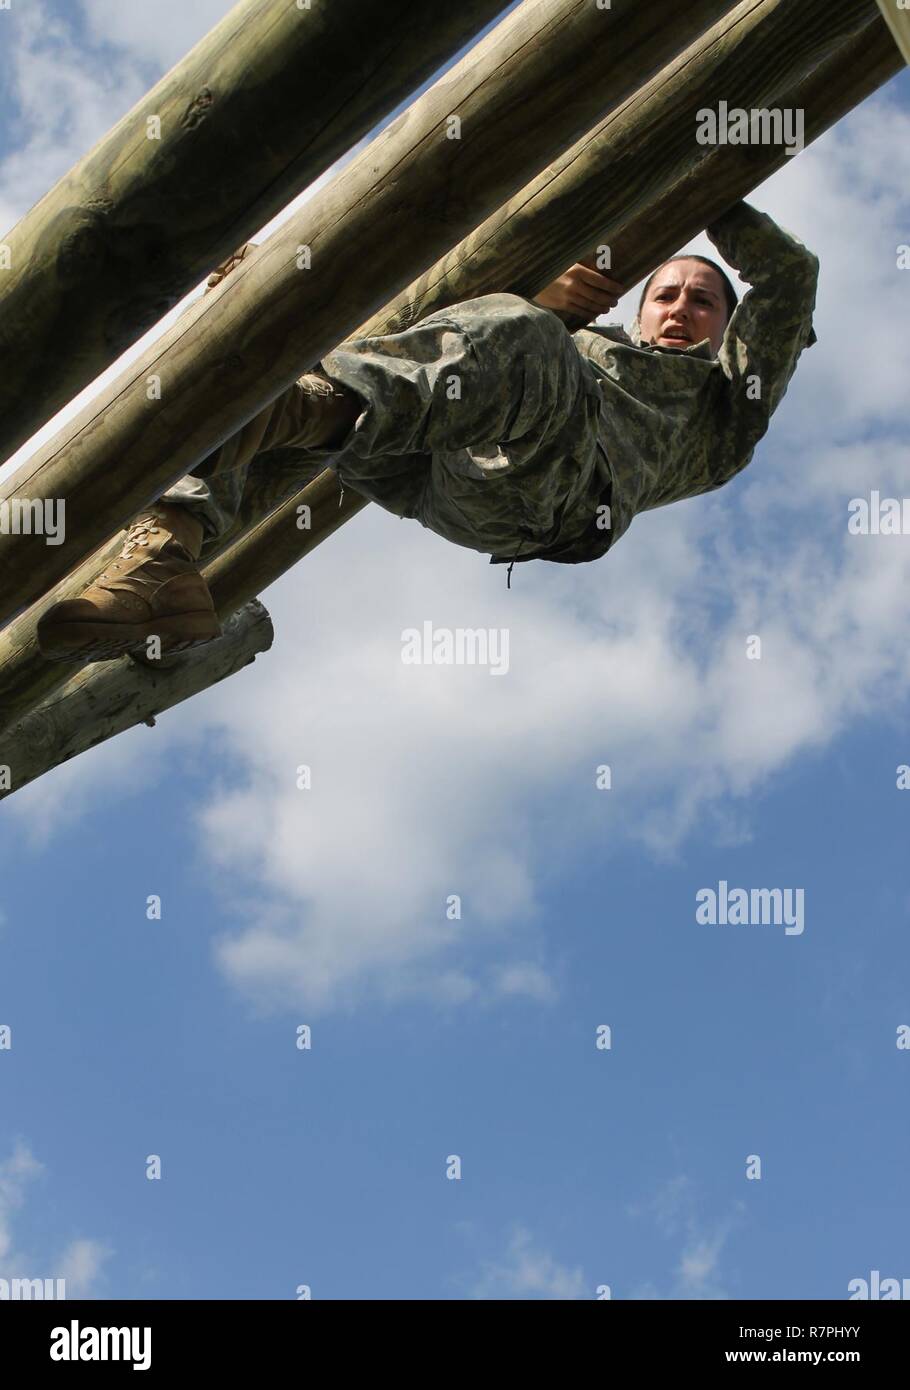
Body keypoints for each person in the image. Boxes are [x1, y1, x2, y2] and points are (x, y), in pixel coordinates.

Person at [36, 200, 818, 663]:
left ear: (724, 329)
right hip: (428, 464)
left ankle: (290, 403)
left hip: (545, 496)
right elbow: (475, 350)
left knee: (522, 336)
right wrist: (551, 306)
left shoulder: (724, 411)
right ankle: (162, 558)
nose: (680, 307)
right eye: (667, 294)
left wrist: (705, 191)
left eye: (703, 302)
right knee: (296, 344)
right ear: (640, 310)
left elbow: (791, 277)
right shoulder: (584, 337)